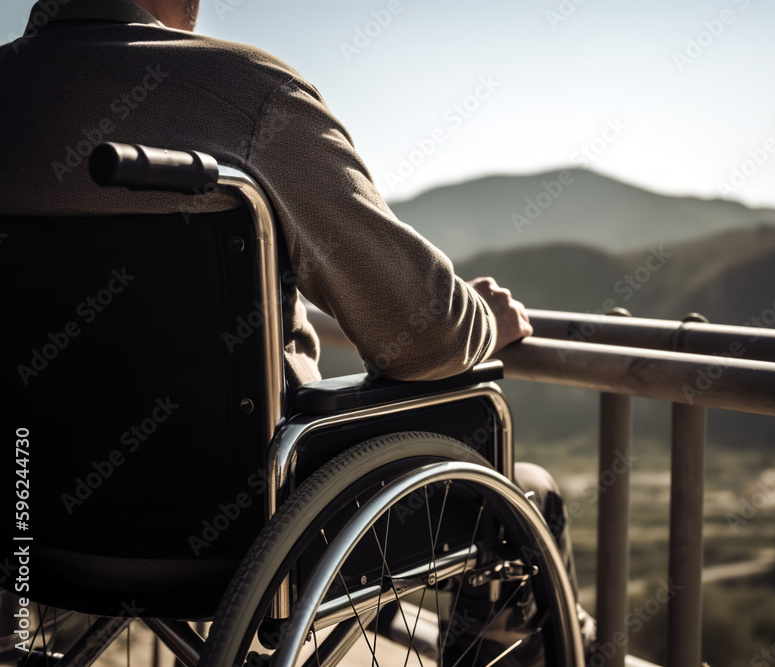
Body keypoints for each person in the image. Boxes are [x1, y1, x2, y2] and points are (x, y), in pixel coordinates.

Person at [0, 0, 594, 664]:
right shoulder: (244, 89)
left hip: (30, 533)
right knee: (528, 491)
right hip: (249, 538)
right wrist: (485, 321)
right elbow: (425, 334)